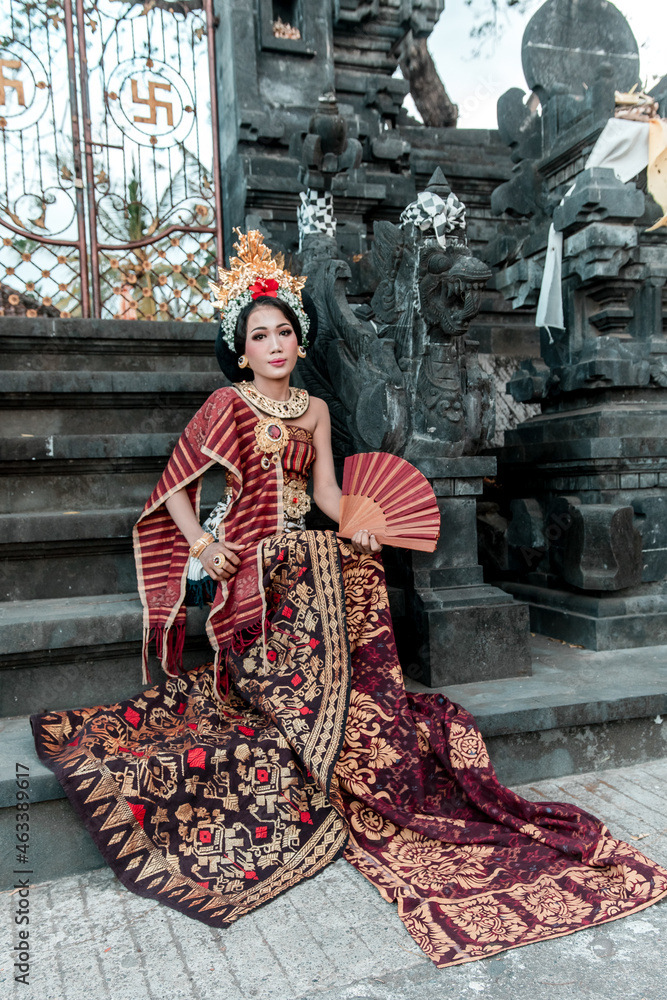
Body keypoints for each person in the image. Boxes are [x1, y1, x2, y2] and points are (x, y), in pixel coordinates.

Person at [32, 232, 667, 969]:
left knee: (346, 563)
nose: (274, 344)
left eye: (283, 331)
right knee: (297, 561)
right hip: (244, 564)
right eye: (258, 335)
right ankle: (305, 696)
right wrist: (206, 549)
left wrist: (361, 527)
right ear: (240, 351)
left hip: (298, 554)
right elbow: (173, 493)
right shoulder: (224, 404)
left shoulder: (313, 413)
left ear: (299, 343)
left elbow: (327, 494)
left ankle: (354, 709)